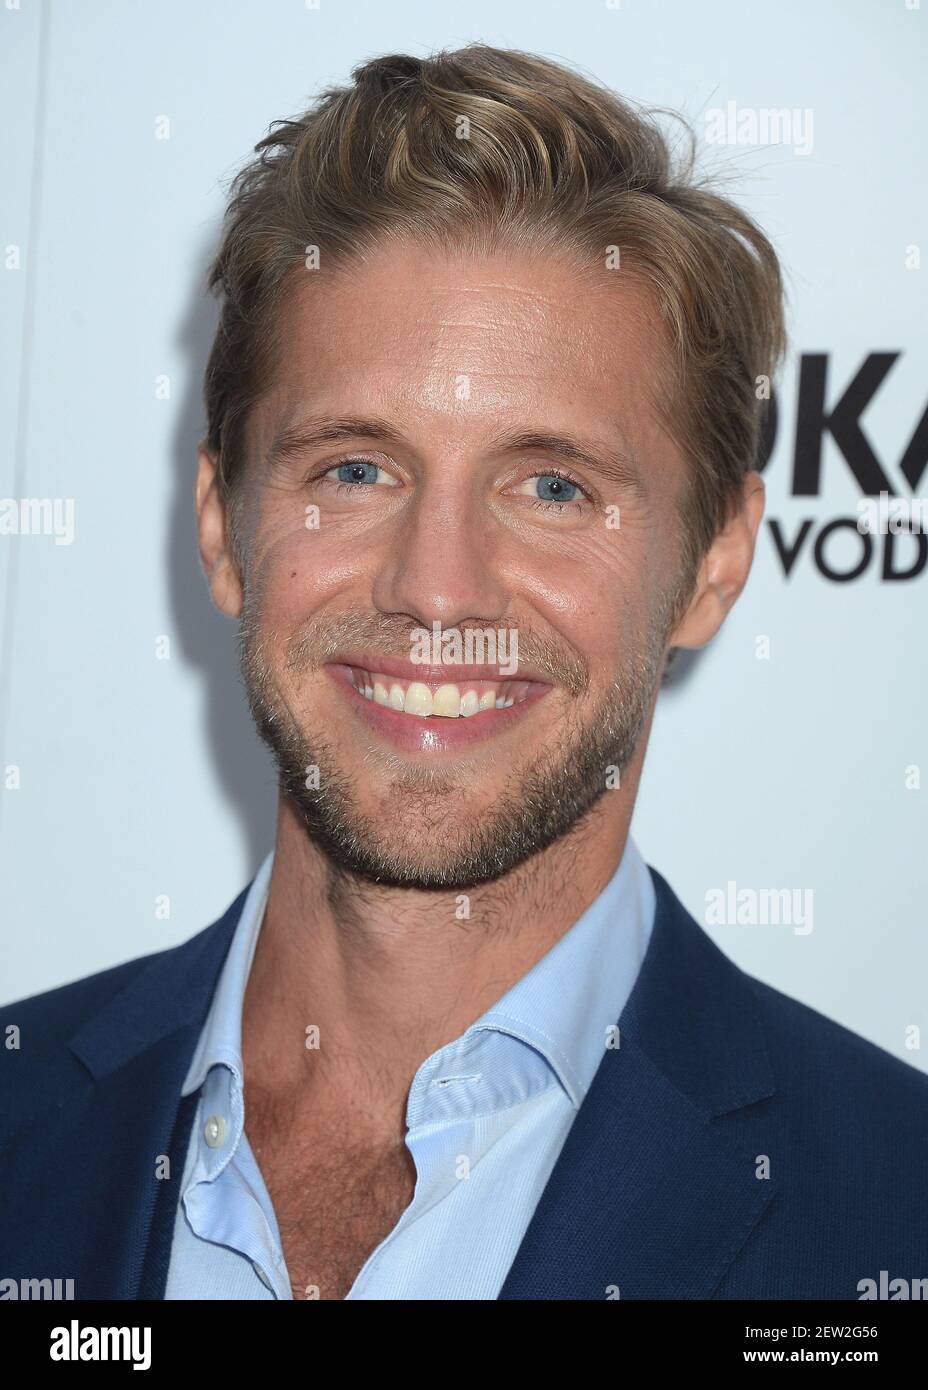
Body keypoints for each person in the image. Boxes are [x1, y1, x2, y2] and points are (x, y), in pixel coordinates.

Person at [3, 43, 926, 1302]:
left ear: (715, 560)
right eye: (355, 469)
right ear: (222, 526)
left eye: (551, 486)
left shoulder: (891, 1205)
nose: (436, 588)